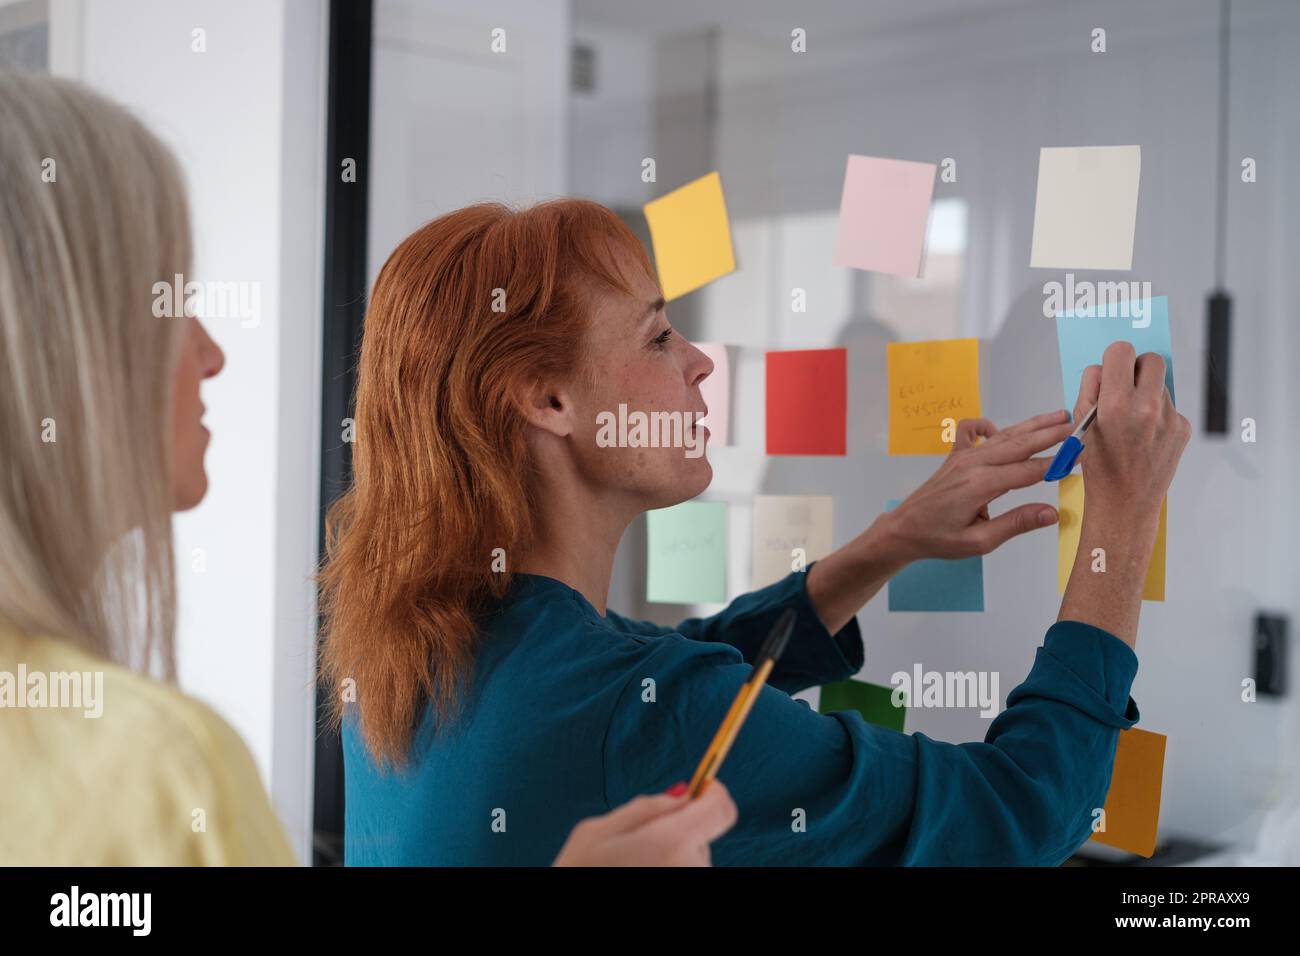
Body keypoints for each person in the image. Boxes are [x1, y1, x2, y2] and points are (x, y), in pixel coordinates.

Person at [0, 70, 734, 866]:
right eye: (166, 303)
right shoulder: (163, 777)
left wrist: (851, 570)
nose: (212, 353)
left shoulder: (408, 656)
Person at [322, 199, 1189, 866]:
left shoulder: (419, 642)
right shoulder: (638, 708)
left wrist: (893, 539)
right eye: (659, 334)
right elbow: (1019, 814)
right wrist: (1120, 519)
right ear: (548, 401)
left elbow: (680, 668)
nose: (699, 360)